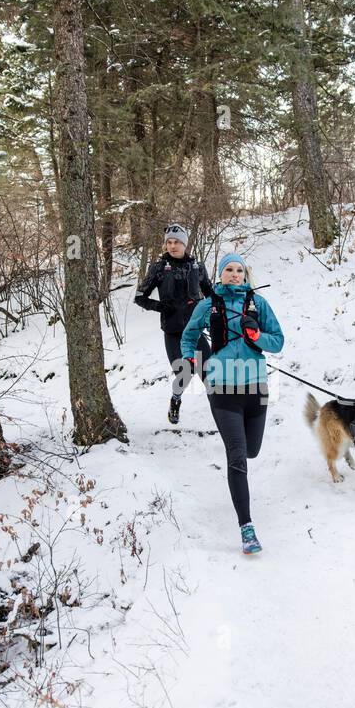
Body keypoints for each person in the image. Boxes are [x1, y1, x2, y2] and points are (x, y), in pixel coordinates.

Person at [179, 253, 284, 555]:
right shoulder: (208, 304)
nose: (234, 274)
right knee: (237, 456)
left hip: (256, 386)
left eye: (239, 270)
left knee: (252, 450)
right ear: (220, 274)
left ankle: (243, 508)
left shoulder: (258, 304)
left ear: (246, 275)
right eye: (229, 270)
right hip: (222, 386)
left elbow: (278, 341)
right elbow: (188, 337)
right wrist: (193, 359)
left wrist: (257, 335)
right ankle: (246, 528)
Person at [134, 223, 212, 423]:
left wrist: (209, 309)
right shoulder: (159, 268)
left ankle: (224, 413)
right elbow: (140, 297)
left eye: (177, 242)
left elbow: (211, 295)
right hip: (173, 331)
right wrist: (162, 307)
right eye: (169, 242)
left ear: (185, 244)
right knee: (184, 373)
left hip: (195, 331)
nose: (172, 245)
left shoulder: (197, 267)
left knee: (210, 375)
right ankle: (175, 400)